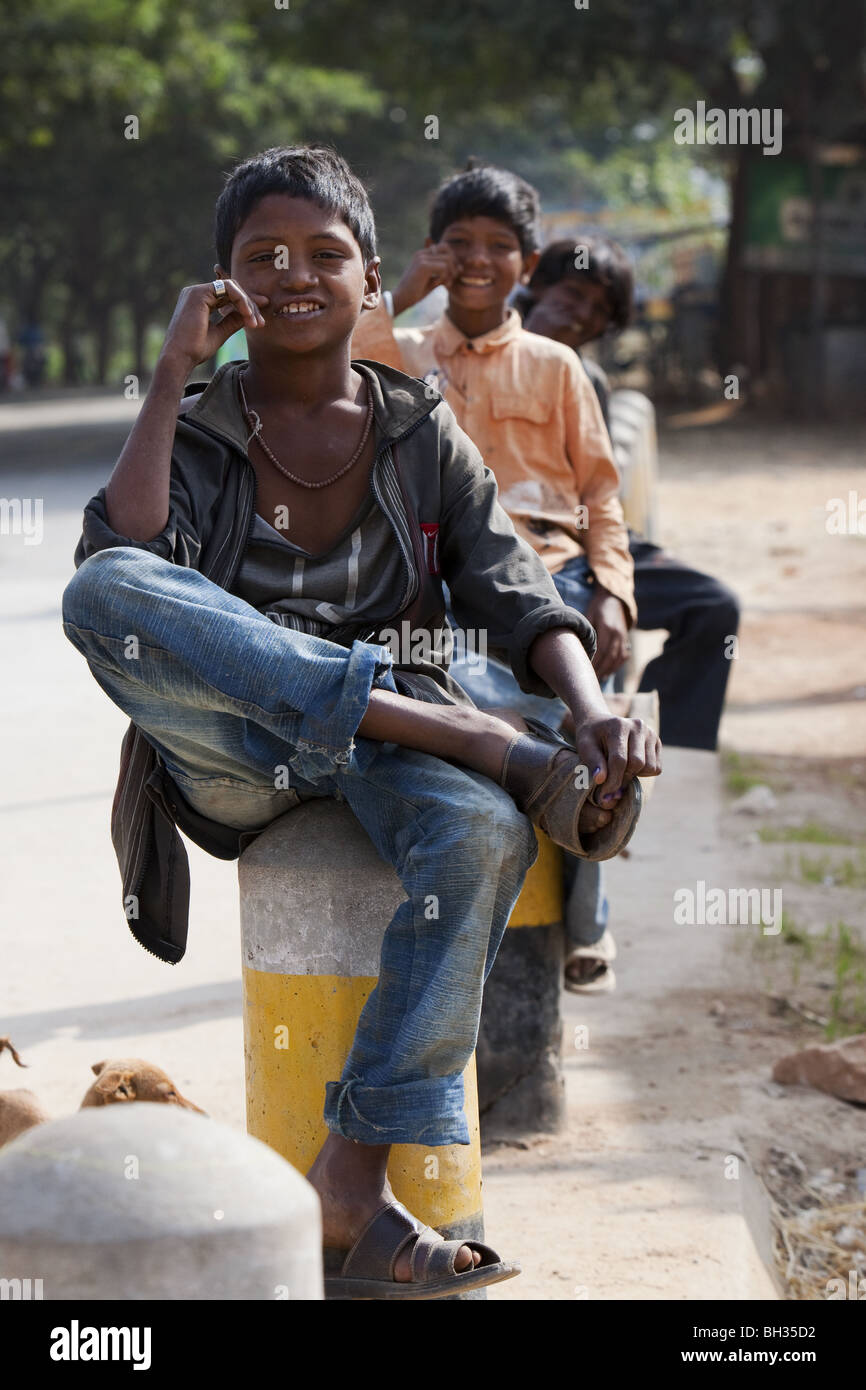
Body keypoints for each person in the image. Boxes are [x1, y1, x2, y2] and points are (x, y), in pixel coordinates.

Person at [61, 146, 661, 1298]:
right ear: (225, 285)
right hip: (235, 751)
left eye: (323, 254)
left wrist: (591, 710)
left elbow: (514, 587)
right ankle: (478, 742)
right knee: (102, 590)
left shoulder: (414, 426)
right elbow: (127, 558)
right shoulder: (200, 423)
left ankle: (351, 1180)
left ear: (373, 280)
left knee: (482, 831)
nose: (293, 274)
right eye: (262, 256)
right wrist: (170, 372)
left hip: (393, 736)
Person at [351, 165, 638, 994]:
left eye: (499, 246)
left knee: (579, 714)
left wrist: (614, 591)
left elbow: (601, 496)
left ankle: (586, 923)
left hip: (549, 576)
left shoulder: (556, 366)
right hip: (438, 581)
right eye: (459, 244)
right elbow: (333, 358)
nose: (478, 260)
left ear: (528, 262)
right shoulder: (401, 352)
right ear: (433, 251)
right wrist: (401, 293)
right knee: (446, 700)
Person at [521, 237, 741, 754]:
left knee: (712, 606)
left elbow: (598, 497)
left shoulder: (588, 380)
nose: (583, 314)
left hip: (583, 540)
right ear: (537, 284)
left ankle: (671, 753)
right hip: (517, 547)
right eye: (574, 293)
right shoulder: (472, 356)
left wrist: (614, 586)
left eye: (600, 310)